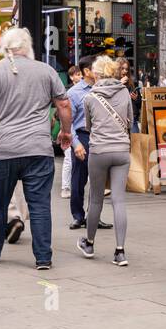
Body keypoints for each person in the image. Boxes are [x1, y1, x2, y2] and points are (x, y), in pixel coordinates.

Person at [0, 27, 73, 269]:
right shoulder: (46, 71)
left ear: (5, 47)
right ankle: (43, 258)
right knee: (40, 205)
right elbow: (63, 103)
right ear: (27, 46)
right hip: (38, 149)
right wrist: (65, 132)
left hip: (3, 149)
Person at [78, 56, 133, 265]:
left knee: (95, 199)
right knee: (119, 201)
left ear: (98, 74)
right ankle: (120, 252)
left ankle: (89, 242)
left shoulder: (90, 97)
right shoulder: (124, 92)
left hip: (99, 151)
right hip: (121, 150)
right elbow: (130, 120)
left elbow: (88, 126)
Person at [67, 56, 102, 230]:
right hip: (83, 137)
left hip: (101, 137)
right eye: (97, 67)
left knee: (99, 180)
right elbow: (69, 122)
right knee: (79, 179)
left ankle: (94, 216)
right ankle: (78, 216)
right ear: (87, 71)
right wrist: (76, 144)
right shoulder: (74, 93)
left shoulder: (104, 88)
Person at [61, 63, 80, 198]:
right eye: (77, 74)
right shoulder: (68, 92)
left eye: (80, 74)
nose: (79, 77)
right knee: (68, 159)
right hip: (69, 128)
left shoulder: (87, 90)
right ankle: (65, 187)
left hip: (80, 129)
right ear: (71, 77)